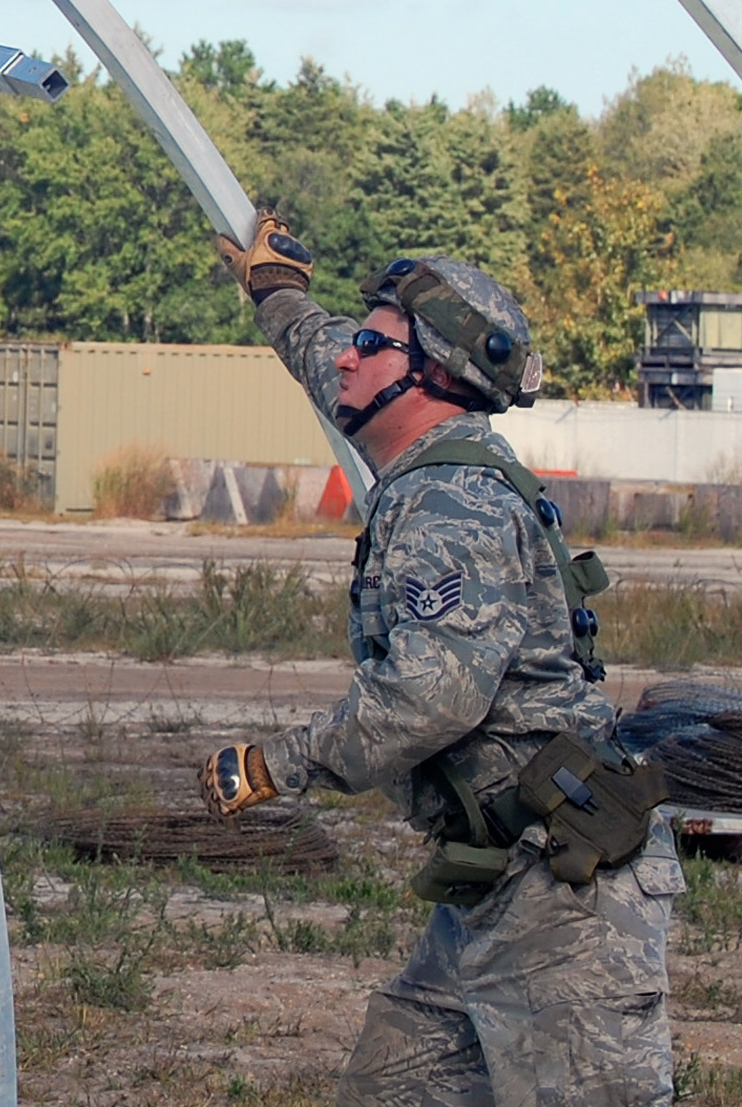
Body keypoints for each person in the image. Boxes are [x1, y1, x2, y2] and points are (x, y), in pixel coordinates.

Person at [199, 217, 681, 1107]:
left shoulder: (450, 500)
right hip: (495, 891)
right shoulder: (425, 458)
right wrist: (278, 296)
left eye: (372, 345)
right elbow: (327, 358)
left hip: (563, 908)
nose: (346, 357)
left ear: (434, 378)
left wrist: (280, 764)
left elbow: (431, 697)